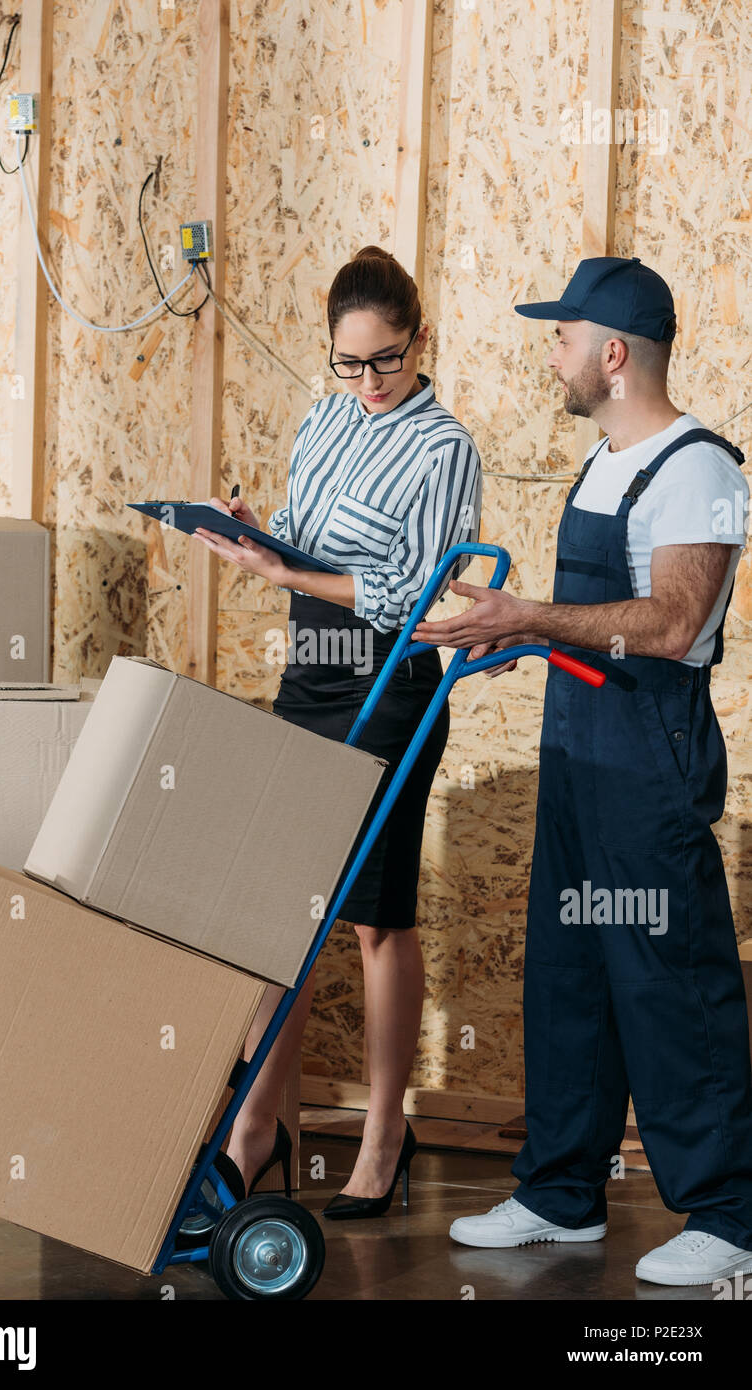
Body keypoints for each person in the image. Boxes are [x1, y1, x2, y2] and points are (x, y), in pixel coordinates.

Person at [413, 255, 752, 1286]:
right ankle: (563, 1192)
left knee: (666, 977)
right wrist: (509, 637)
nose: (551, 354)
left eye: (562, 337)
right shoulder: (605, 458)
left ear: (613, 354)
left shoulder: (698, 466)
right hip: (578, 752)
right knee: (571, 976)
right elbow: (590, 627)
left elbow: (674, 620)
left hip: (649, 759)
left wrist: (528, 613)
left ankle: (731, 1214)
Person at [191, 245, 482, 1218]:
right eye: (349, 364)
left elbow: (411, 591)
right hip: (309, 671)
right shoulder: (322, 418)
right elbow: (301, 533)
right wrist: (252, 534)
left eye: (385, 362)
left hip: (390, 681)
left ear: (419, 340)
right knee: (282, 915)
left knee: (372, 919)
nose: (366, 383)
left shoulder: (445, 448)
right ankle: (256, 1126)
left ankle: (383, 1138)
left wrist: (287, 576)